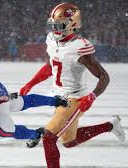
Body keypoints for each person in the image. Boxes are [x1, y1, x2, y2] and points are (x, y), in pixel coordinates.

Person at [19, 3, 125, 168]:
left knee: (49, 137)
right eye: (52, 26)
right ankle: (110, 126)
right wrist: (31, 83)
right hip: (58, 96)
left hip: (75, 98)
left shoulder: (80, 47)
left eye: (59, 26)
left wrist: (92, 96)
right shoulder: (52, 40)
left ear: (72, 25)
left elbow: (104, 77)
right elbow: (51, 66)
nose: (54, 31)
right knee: (69, 141)